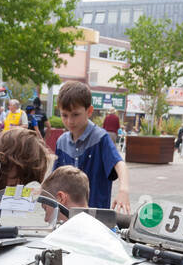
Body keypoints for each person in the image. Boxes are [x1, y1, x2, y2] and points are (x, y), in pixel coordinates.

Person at [53, 79, 131, 212]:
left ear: (89, 111)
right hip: (67, 215)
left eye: (75, 115)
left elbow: (119, 164)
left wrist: (124, 189)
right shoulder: (61, 142)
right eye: (64, 115)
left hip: (95, 215)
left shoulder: (100, 138)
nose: (70, 121)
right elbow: (55, 179)